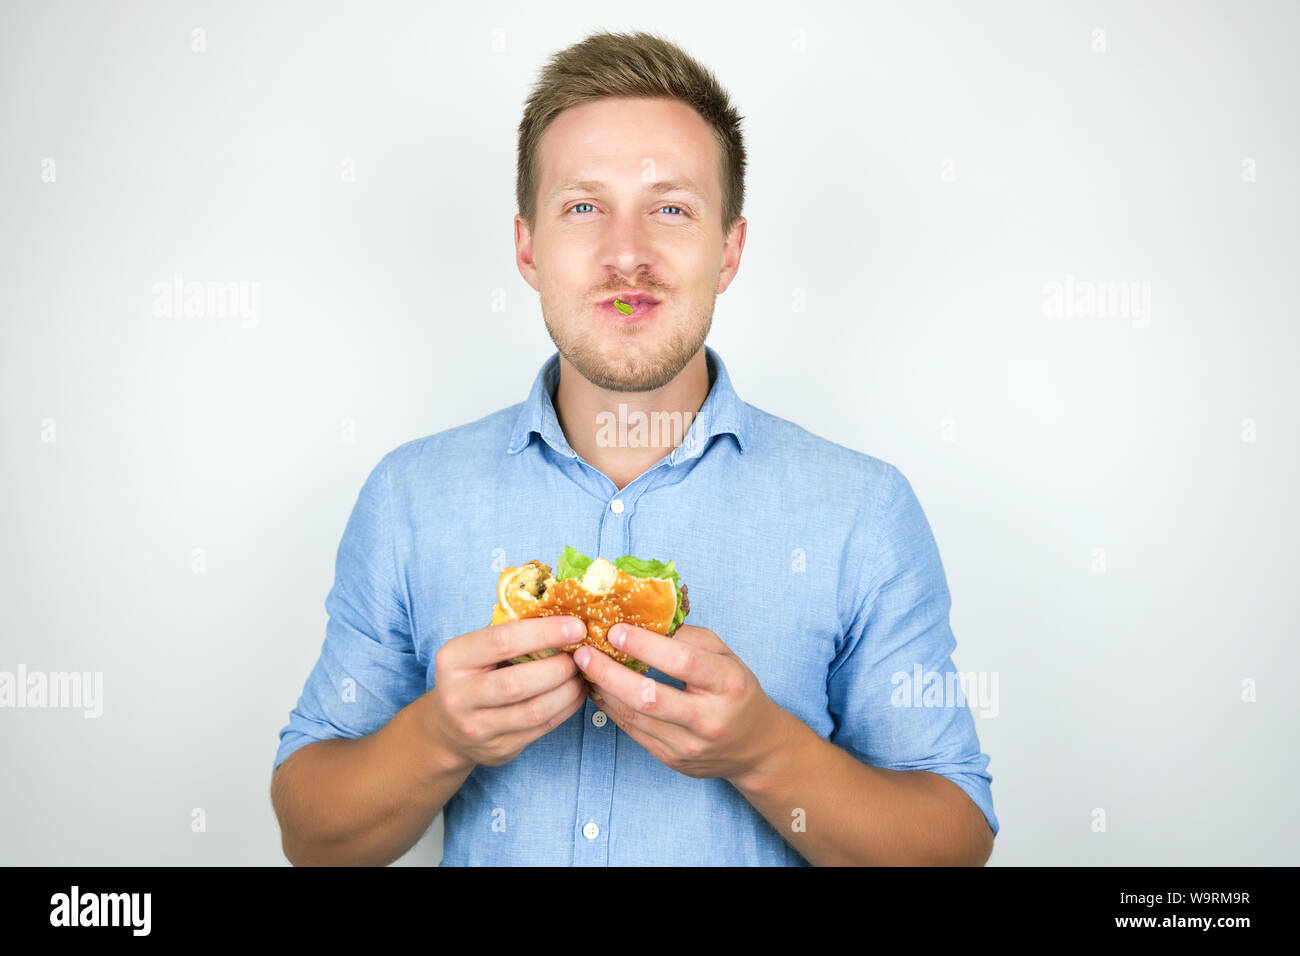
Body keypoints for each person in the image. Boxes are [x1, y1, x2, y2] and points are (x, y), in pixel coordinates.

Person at [270, 29, 998, 866]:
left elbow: (956, 843)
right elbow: (311, 836)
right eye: (583, 206)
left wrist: (764, 751)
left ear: (729, 251)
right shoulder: (409, 497)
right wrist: (439, 735)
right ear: (526, 248)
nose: (627, 255)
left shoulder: (864, 511)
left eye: (672, 209)